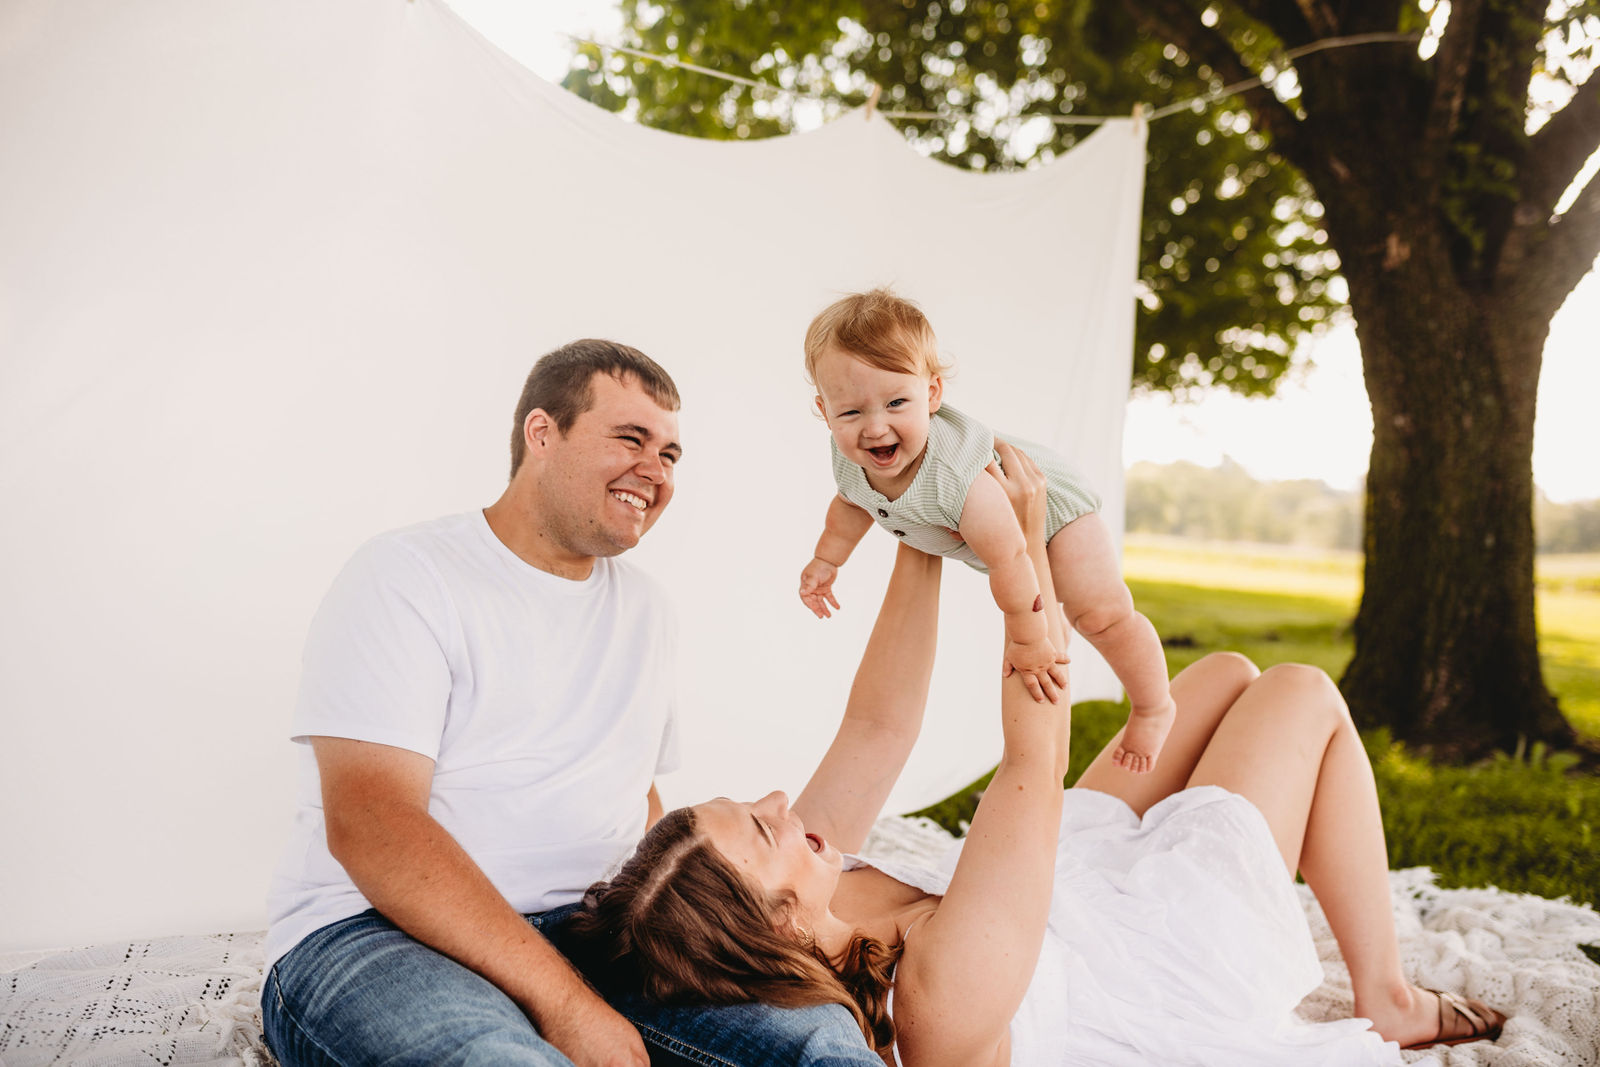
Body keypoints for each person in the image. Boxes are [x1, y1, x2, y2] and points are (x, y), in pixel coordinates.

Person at [574, 440, 1507, 1066]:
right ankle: (1388, 995)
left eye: (752, 805)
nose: (782, 803)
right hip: (1159, 961)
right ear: (772, 923)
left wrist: (916, 518)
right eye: (762, 828)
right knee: (1299, 691)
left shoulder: (805, 888)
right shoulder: (936, 1005)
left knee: (1220, 674)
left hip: (1069, 903)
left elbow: (879, 727)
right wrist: (1014, 542)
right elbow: (1035, 753)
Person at [261, 340, 882, 1067]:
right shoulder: (407, 576)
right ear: (542, 433)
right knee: (495, 1060)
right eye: (631, 438)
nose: (656, 470)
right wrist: (565, 1003)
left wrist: (708, 929)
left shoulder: (646, 611)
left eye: (670, 454)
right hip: (378, 931)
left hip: (597, 931)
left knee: (816, 1042)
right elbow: (372, 824)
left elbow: (636, 799)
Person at [797, 288, 1174, 772]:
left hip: (1056, 517)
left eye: (896, 403)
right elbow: (850, 504)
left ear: (932, 394)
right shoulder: (849, 457)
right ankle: (1054, 642)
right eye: (851, 412)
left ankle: (1153, 706)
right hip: (1001, 541)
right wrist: (826, 560)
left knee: (1100, 615)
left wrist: (1027, 640)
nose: (874, 428)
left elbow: (1010, 558)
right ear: (825, 410)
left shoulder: (958, 477)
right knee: (1052, 621)